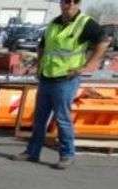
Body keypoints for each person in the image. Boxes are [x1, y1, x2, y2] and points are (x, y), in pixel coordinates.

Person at [10, 0, 110, 169]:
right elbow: (43, 46)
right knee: (39, 118)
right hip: (47, 76)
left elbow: (103, 41)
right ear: (61, 3)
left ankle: (67, 155)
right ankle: (32, 152)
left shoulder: (85, 23)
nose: (69, 4)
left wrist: (87, 65)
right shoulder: (54, 23)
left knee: (62, 118)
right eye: (66, 1)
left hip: (66, 78)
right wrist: (39, 65)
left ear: (79, 4)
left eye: (74, 1)